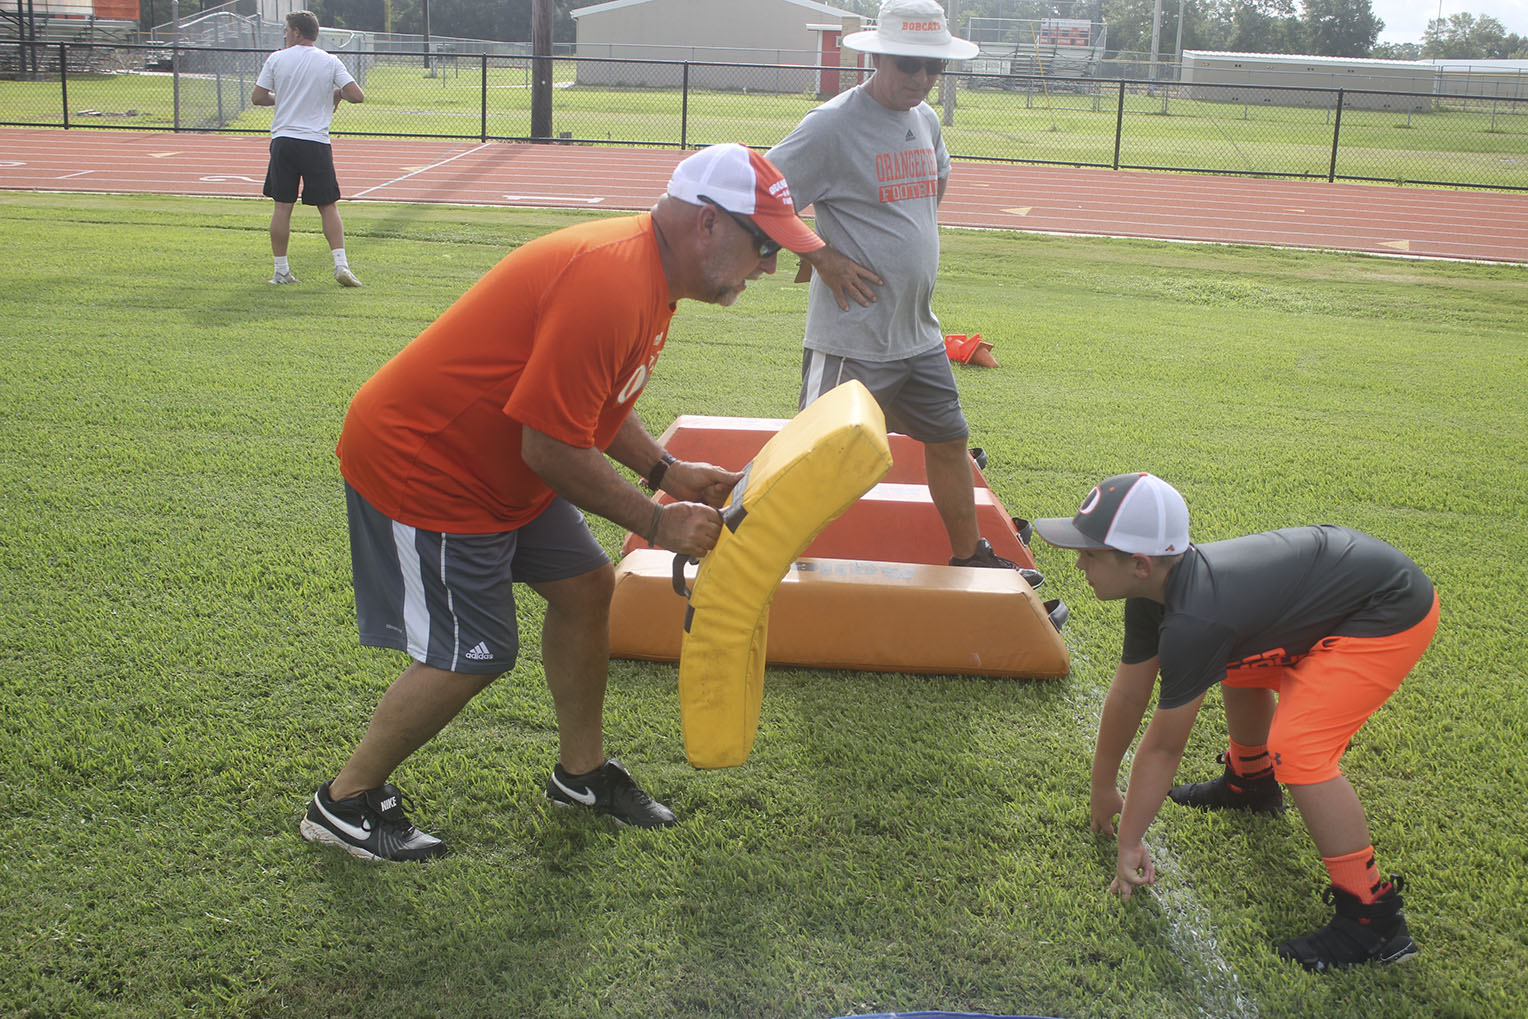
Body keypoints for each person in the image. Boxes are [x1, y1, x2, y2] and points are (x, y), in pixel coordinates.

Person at [299, 143, 826, 862]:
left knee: (585, 586)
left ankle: (580, 775)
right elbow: (549, 448)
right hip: (428, 465)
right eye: (764, 244)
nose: (768, 267)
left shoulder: (650, 276)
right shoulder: (612, 282)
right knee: (474, 653)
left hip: (497, 463)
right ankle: (345, 801)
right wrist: (657, 521)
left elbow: (591, 405)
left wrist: (666, 469)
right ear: (707, 223)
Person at [1032, 472, 1440, 971]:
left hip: (1388, 607)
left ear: (1140, 564)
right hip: (1342, 587)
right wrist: (1102, 785)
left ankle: (1373, 921)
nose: (1079, 563)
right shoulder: (1152, 592)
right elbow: (1129, 693)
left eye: (1091, 554)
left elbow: (1164, 748)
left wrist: (1130, 839)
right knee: (1235, 658)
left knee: (1299, 748)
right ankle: (1251, 784)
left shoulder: (1194, 620)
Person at [766, 0, 1038, 586]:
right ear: (879, 57)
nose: (921, 78)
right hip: (853, 337)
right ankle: (752, 558)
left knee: (949, 439)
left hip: (918, 333)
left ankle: (968, 554)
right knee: (814, 461)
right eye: (909, 64)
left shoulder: (925, 119)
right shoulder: (831, 125)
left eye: (933, 67)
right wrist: (820, 254)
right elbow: (760, 192)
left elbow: (933, 185)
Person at [252, 10, 365, 287]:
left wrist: (283, 97)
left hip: (284, 141)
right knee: (328, 205)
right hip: (315, 142)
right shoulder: (329, 60)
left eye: (286, 30)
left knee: (282, 206)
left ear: (297, 31)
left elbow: (258, 97)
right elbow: (356, 95)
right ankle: (341, 265)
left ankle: (281, 271)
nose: (285, 35)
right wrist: (336, 93)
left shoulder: (277, 58)